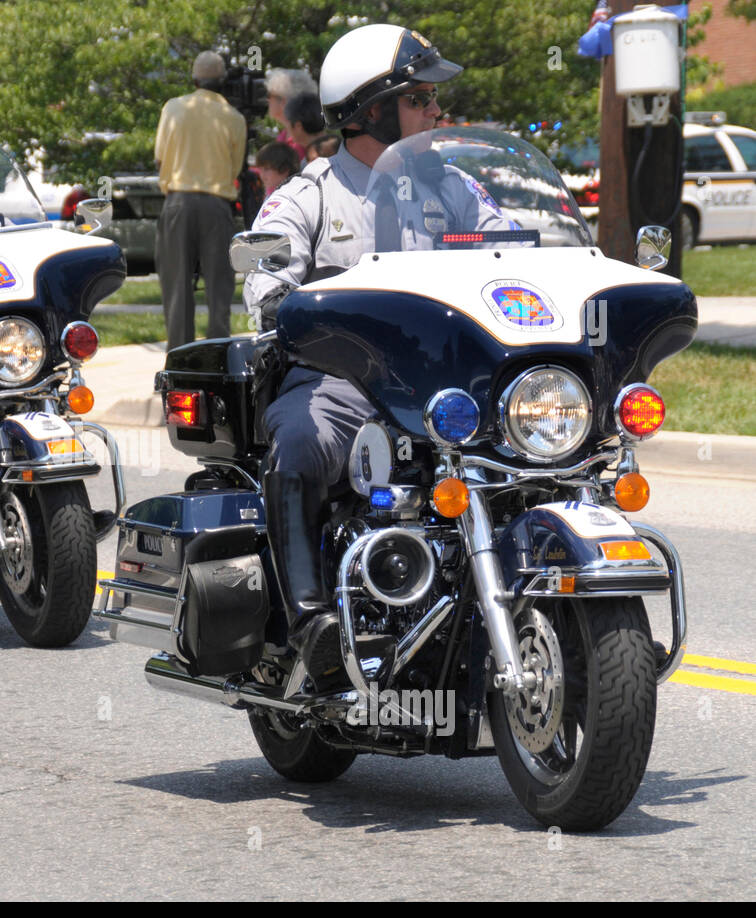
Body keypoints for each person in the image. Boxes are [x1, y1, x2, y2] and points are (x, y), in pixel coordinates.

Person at [244, 24, 514, 690]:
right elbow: (258, 265)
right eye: (420, 97)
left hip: (450, 382)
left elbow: (514, 241)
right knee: (303, 440)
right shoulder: (307, 194)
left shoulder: (452, 188)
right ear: (372, 110)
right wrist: (280, 292)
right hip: (346, 379)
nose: (435, 111)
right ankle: (311, 620)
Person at [154, 51, 247, 351]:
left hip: (178, 202)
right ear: (222, 82)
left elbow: (159, 159)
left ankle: (179, 361)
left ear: (194, 79)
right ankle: (218, 359)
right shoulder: (234, 117)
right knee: (219, 289)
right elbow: (235, 168)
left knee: (177, 288)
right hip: (217, 205)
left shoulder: (173, 108)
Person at [266, 68, 313, 161]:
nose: (267, 100)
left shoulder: (302, 139)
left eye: (269, 95)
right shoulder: (286, 134)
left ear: (284, 101)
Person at [284, 92, 330, 164]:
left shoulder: (310, 164)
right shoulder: (342, 148)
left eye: (287, 123)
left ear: (298, 126)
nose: (287, 129)